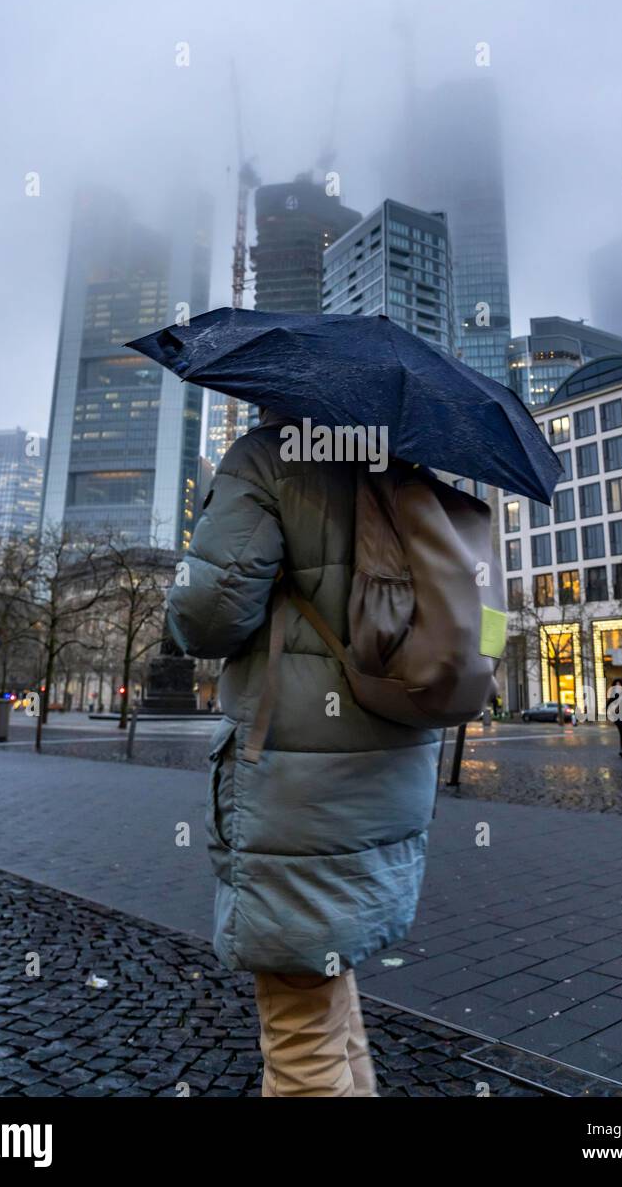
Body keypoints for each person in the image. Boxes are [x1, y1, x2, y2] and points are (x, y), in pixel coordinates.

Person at [167, 411, 440, 1097]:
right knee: (325, 994)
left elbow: (206, 615)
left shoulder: (266, 458)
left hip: (297, 781)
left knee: (299, 1039)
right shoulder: (402, 466)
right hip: (392, 764)